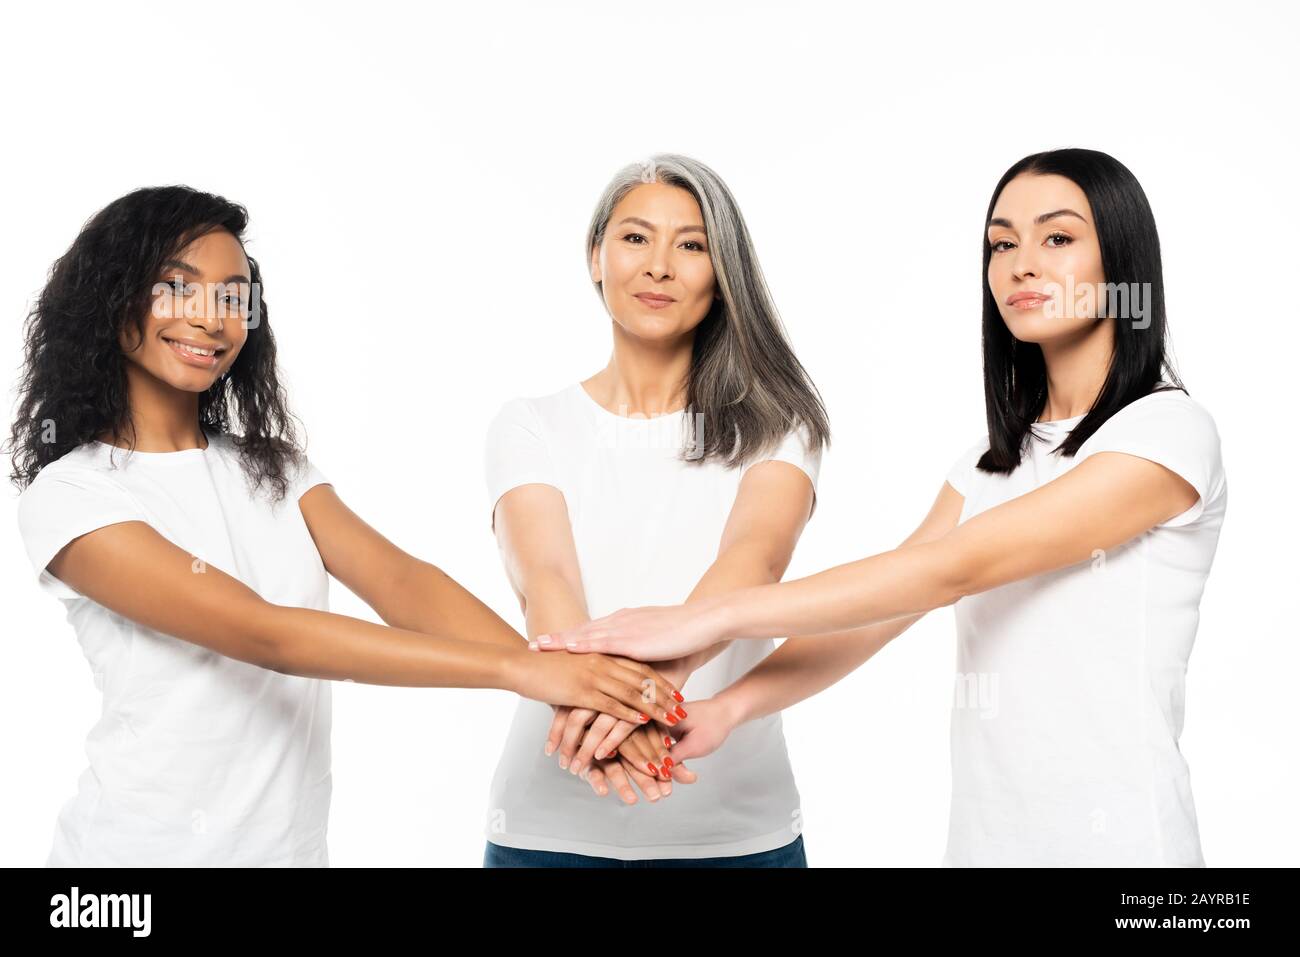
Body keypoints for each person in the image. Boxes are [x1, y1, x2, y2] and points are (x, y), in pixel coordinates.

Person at [536, 149, 1227, 867]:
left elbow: (952, 569)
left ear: (1122, 262)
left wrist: (703, 617)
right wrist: (727, 707)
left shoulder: (1167, 433)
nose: (1022, 264)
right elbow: (881, 609)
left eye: (1057, 237)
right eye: (1001, 243)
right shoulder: (986, 466)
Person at [10, 186, 679, 867]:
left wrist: (577, 692)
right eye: (177, 288)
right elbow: (267, 634)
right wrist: (526, 674)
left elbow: (401, 582)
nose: (211, 319)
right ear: (113, 297)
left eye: (234, 296)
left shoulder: (272, 469)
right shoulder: (72, 496)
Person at [482, 154, 829, 866]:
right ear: (596, 256)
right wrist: (620, 706)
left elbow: (755, 559)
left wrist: (647, 693)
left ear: (722, 272)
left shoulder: (779, 426)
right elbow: (546, 579)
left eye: (691, 245)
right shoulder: (530, 423)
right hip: (549, 827)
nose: (659, 266)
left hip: (736, 831)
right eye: (636, 237)